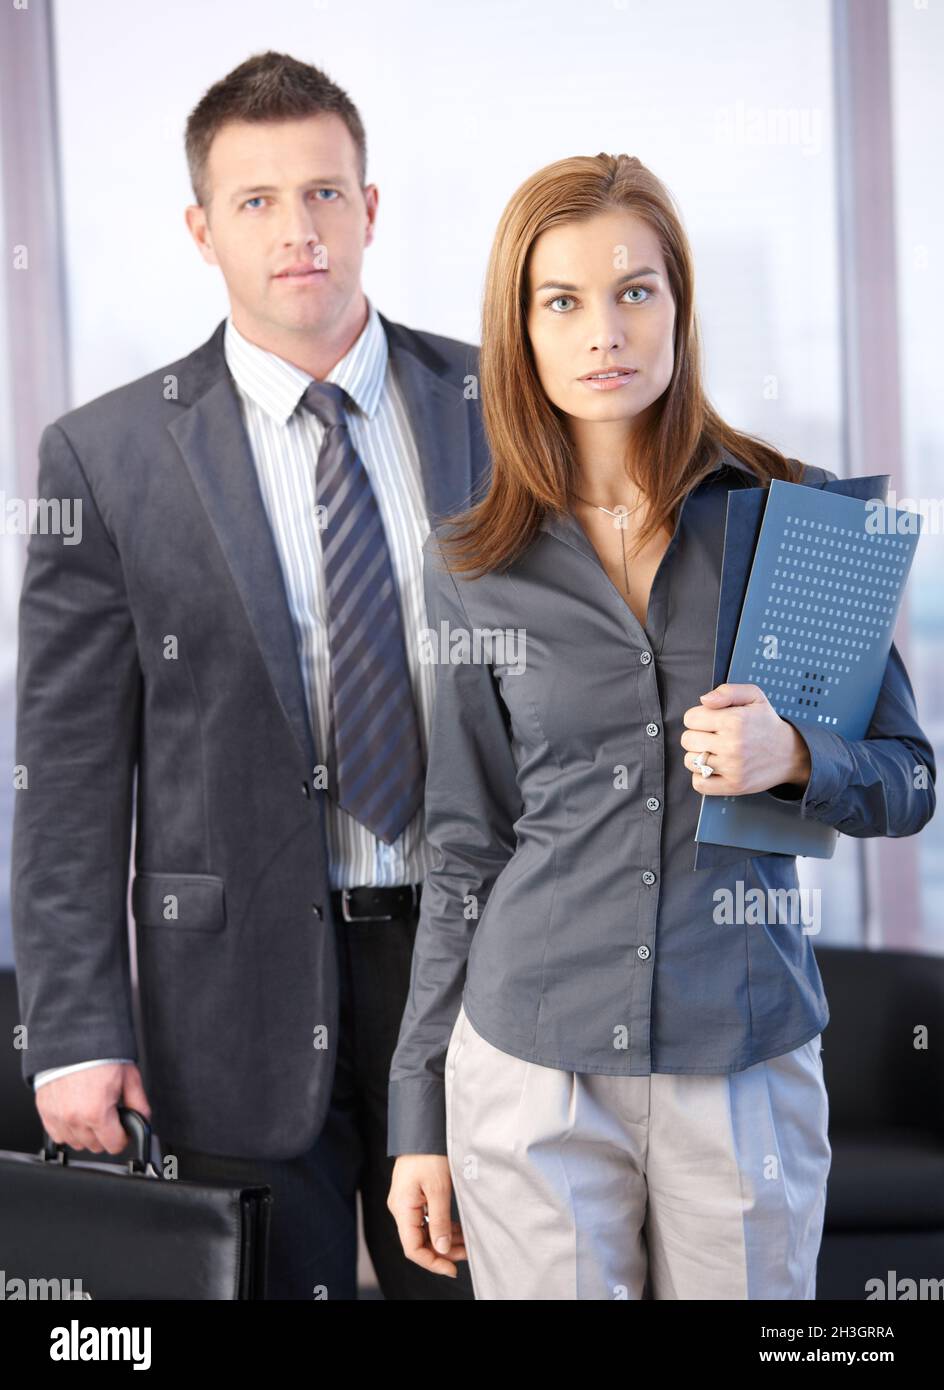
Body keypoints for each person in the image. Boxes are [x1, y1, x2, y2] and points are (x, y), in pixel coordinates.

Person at [385, 152, 936, 1299]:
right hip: (529, 1062)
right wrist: (415, 1113)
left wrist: (795, 757)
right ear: (519, 330)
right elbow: (464, 847)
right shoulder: (470, 564)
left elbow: (906, 781)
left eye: (636, 290)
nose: (605, 331)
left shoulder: (798, 518)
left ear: (679, 307)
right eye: (562, 301)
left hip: (740, 1060)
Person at [11, 50, 482, 1300]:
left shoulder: (502, 411)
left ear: (370, 210)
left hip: (478, 975)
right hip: (227, 999)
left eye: (326, 193)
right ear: (201, 229)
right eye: (257, 202)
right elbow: (62, 777)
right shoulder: (108, 455)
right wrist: (71, 1030)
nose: (299, 231)